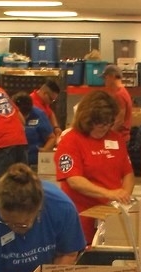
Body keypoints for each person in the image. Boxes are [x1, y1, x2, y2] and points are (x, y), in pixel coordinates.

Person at [56, 89, 135, 243]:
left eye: (108, 123)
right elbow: (74, 180)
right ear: (87, 120)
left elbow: (128, 173)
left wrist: (123, 198)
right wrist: (109, 194)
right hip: (81, 218)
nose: (105, 129)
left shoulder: (115, 139)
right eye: (100, 125)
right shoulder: (70, 141)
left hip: (112, 216)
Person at [13, 92, 55, 168]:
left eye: (25, 115)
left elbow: (51, 138)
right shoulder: (9, 114)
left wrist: (45, 150)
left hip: (34, 162)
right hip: (14, 162)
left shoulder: (39, 115)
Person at [102, 64, 134, 134]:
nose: (104, 81)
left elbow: (119, 121)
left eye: (105, 78)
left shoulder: (119, 95)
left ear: (112, 76)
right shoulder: (122, 91)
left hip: (120, 135)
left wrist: (108, 134)